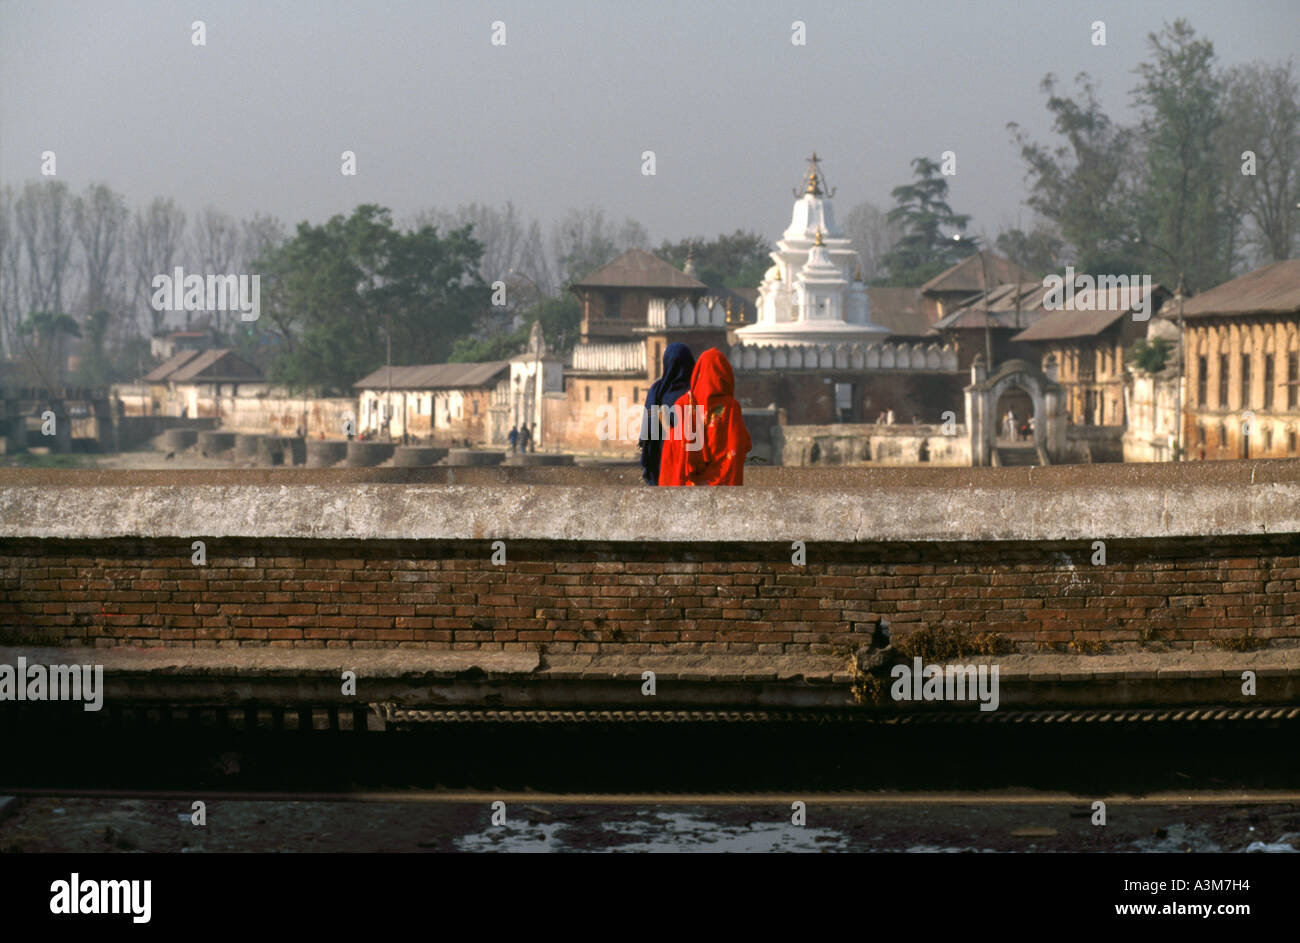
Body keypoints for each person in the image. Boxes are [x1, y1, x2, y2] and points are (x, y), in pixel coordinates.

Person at [658, 347, 751, 487]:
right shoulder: (731, 407)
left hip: (689, 485)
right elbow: (738, 446)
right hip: (721, 485)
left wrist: (668, 428)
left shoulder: (684, 402)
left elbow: (676, 442)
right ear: (726, 375)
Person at [638, 343, 695, 485]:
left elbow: (648, 430)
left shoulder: (657, 390)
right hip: (690, 460)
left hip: (660, 456)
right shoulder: (695, 392)